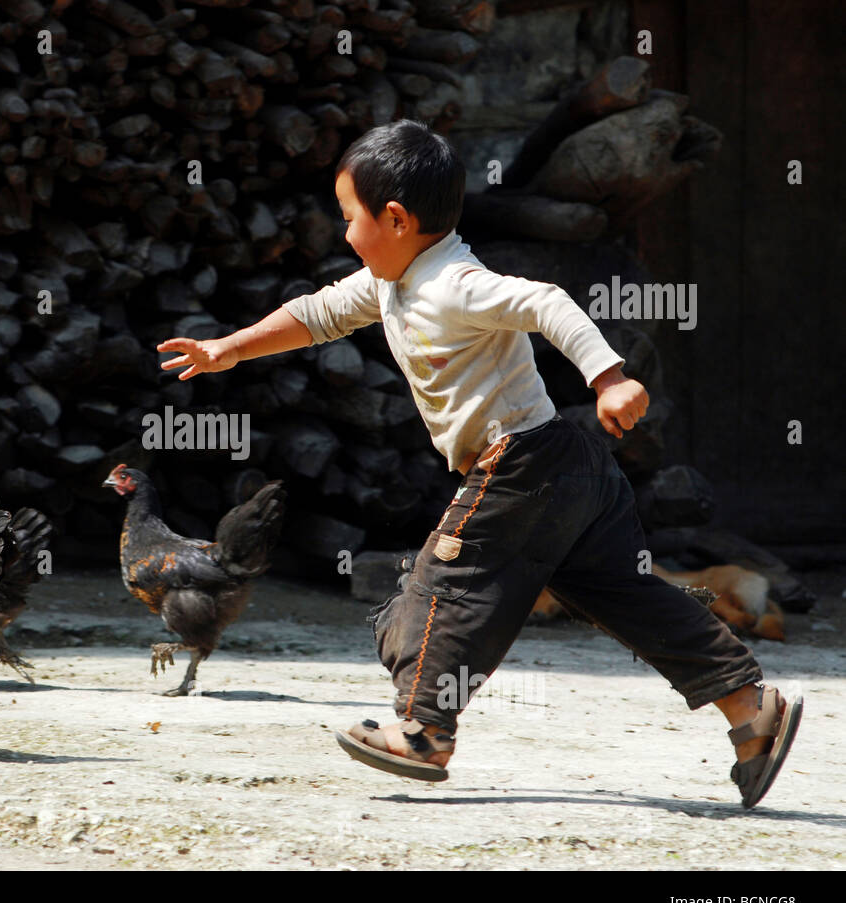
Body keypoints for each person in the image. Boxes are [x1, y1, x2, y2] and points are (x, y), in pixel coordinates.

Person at [155, 119, 801, 809]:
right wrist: (229, 347)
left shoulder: (454, 283)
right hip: (567, 467)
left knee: (438, 586)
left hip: (521, 463)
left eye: (350, 219)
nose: (345, 234)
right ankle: (750, 710)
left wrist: (608, 377)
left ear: (396, 219)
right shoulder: (390, 283)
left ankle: (424, 731)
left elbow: (545, 302)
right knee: (626, 595)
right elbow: (315, 314)